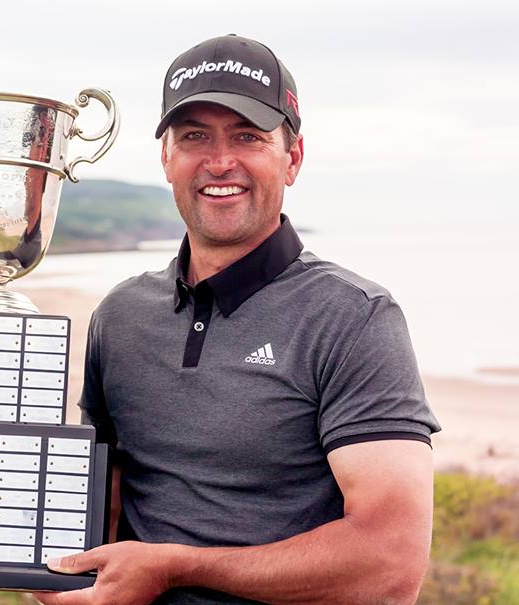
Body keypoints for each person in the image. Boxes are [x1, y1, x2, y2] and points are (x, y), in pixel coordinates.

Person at [34, 34, 441, 605]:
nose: (219, 161)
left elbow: (390, 565)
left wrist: (175, 569)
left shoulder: (354, 318)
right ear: (166, 158)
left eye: (247, 137)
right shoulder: (120, 316)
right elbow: (101, 506)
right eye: (194, 136)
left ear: (292, 158)